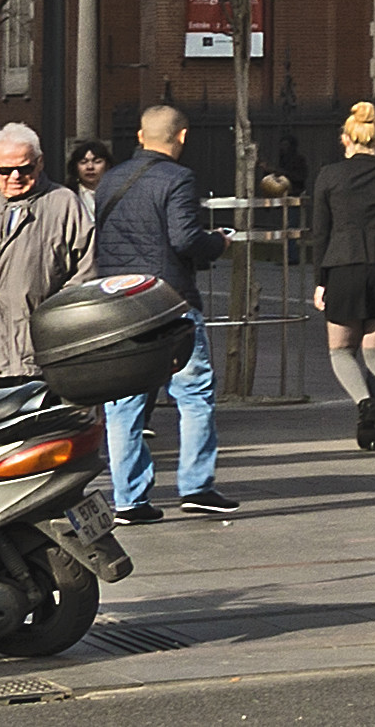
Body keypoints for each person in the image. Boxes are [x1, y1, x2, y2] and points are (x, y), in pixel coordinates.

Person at [88, 101, 231, 515]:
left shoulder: (110, 180)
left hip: (119, 300)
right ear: (182, 136)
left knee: (124, 402)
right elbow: (186, 239)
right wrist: (219, 241)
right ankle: (196, 486)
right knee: (194, 394)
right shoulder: (178, 179)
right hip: (170, 301)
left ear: (139, 136)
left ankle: (130, 498)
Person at [0, 124, 98, 406]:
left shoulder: (64, 205)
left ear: (40, 163)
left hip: (41, 352)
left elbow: (87, 269)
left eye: (24, 168)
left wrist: (55, 315)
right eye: (4, 170)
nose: (14, 177)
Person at [310, 104, 375, 454]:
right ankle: (372, 426)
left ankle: (362, 402)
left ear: (346, 140)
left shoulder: (329, 176)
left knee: (341, 350)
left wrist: (320, 280)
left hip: (343, 268)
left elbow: (320, 233)